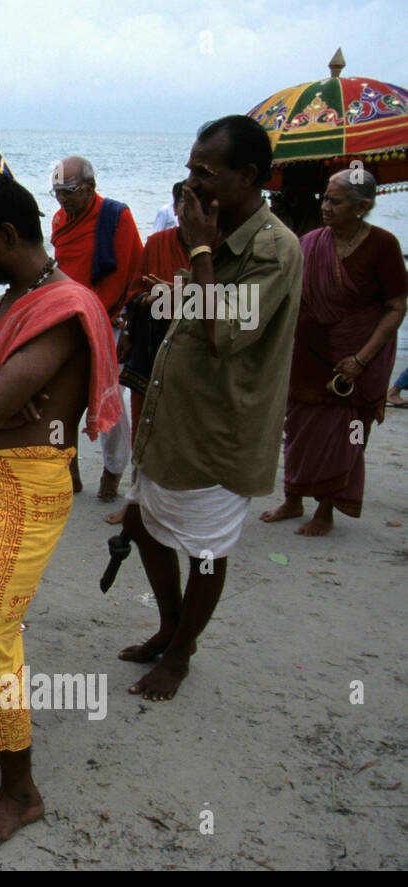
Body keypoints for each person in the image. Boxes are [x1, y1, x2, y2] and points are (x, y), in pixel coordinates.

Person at [0, 173, 121, 846]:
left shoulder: (63, 307)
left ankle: (22, 791)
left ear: (8, 236)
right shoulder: (2, 306)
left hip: (28, 488)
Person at [121, 115, 302, 701]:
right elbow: (195, 311)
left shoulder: (274, 247)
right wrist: (162, 294)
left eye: (206, 172)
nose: (193, 184)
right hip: (173, 419)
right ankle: (170, 625)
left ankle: (182, 652)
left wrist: (198, 249)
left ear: (248, 175)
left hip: (223, 430)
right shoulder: (220, 231)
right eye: (190, 170)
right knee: (144, 525)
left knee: (204, 550)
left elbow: (226, 330)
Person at [260, 169, 407, 536]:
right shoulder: (309, 242)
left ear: (362, 207)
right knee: (297, 426)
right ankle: (293, 498)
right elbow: (287, 296)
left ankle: (326, 509)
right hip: (309, 352)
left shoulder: (384, 245)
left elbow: (396, 306)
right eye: (324, 199)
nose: (325, 207)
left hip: (359, 357)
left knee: (348, 433)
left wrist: (361, 360)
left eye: (335, 201)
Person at [49, 156, 142, 501]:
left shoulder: (117, 217)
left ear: (90, 187)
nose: (61, 198)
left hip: (110, 322)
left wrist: (114, 323)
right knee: (64, 400)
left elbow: (129, 275)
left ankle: (113, 473)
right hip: (69, 323)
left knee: (109, 403)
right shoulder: (60, 220)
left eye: (69, 191)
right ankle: (68, 474)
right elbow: (60, 269)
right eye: (56, 191)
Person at [105, 214, 193, 524]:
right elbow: (134, 290)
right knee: (145, 425)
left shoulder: (220, 248)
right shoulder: (158, 242)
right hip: (150, 345)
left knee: (183, 430)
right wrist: (131, 326)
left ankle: (173, 506)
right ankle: (136, 503)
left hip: (194, 352)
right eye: (184, 205)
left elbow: (239, 308)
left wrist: (182, 296)